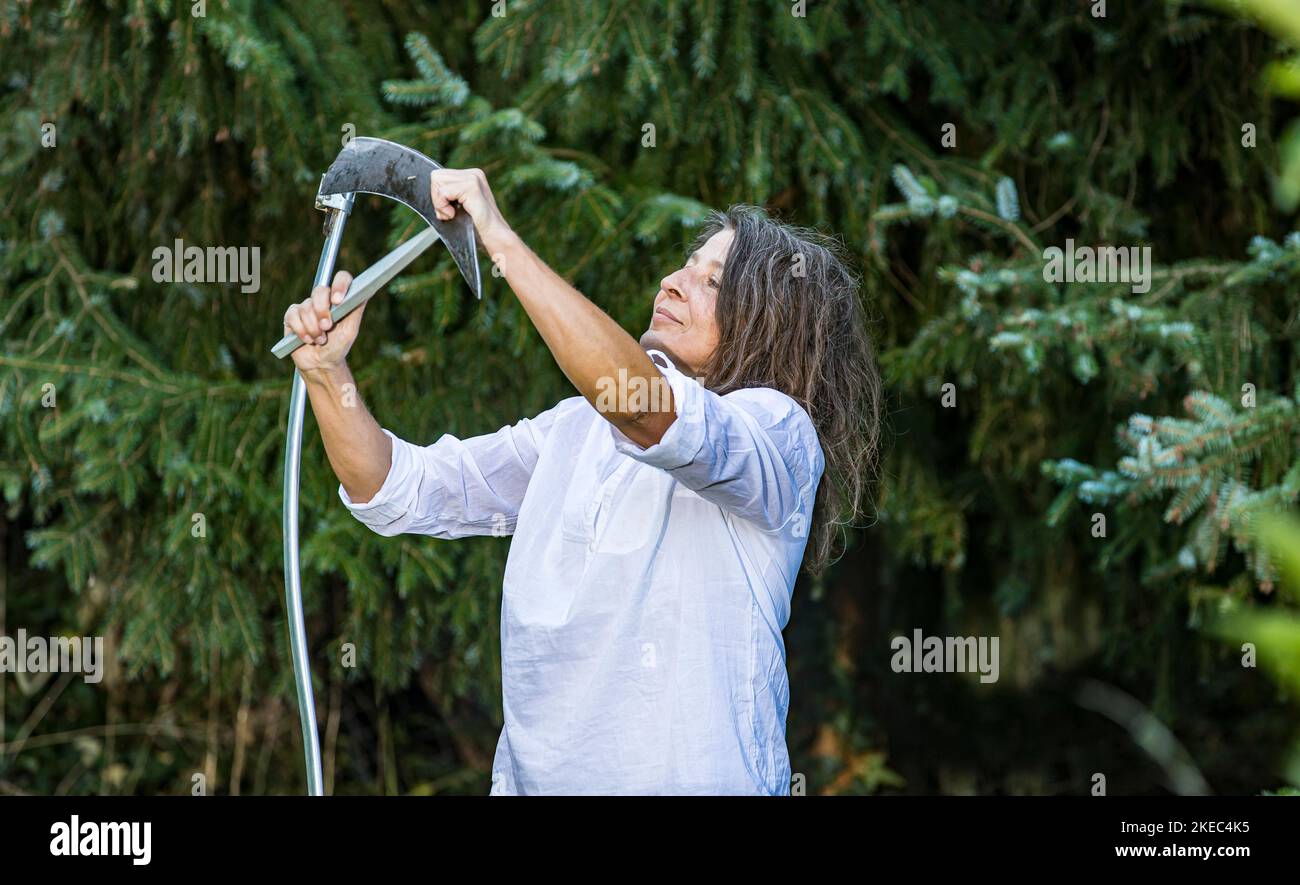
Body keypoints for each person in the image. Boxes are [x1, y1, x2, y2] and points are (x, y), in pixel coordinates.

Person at [282, 167, 882, 795]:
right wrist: (327, 374)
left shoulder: (777, 436)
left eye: (713, 282)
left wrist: (500, 240)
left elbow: (643, 407)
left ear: (773, 324)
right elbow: (397, 487)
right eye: (686, 266)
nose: (673, 283)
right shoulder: (575, 431)